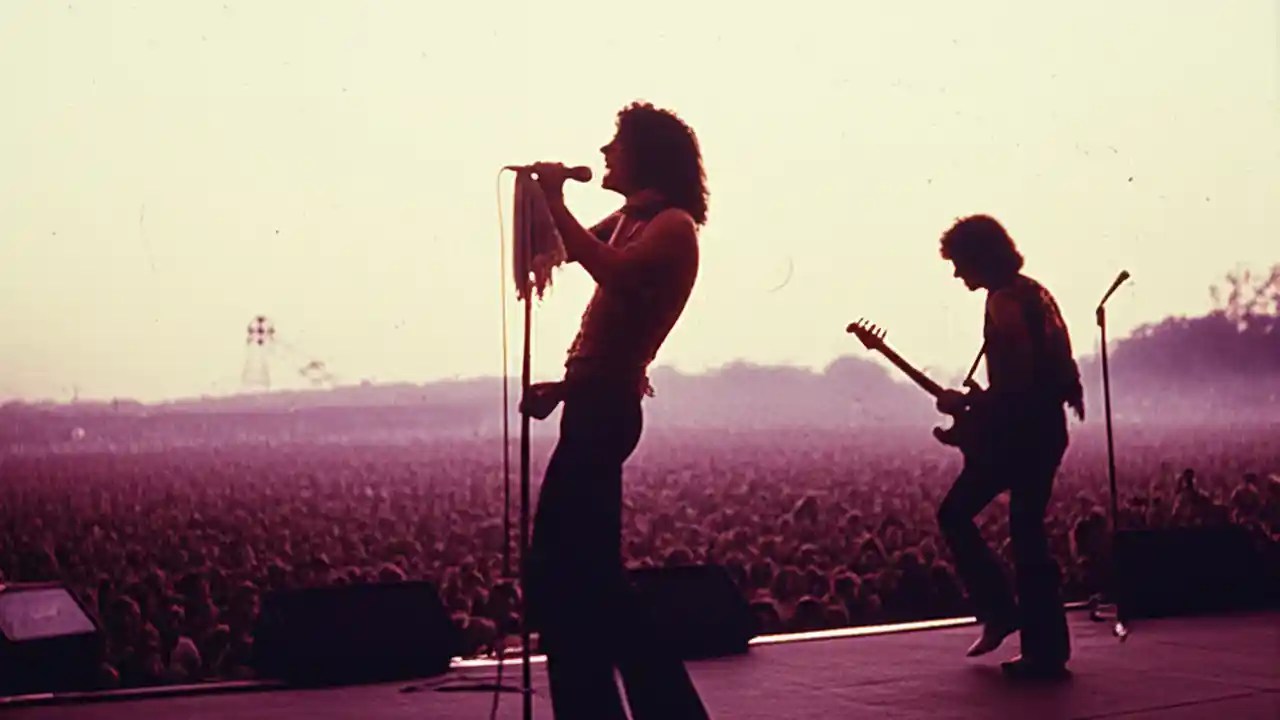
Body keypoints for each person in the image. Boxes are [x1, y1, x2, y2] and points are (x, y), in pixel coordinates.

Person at [519, 101, 712, 719]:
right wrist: (563, 387)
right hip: (594, 402)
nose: (603, 152)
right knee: (585, 574)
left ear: (645, 155)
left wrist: (555, 199)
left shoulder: (672, 227)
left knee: (568, 570)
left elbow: (612, 271)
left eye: (616, 144)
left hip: (608, 410)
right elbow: (568, 250)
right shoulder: (636, 216)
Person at [933, 214, 1085, 680]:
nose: (957, 274)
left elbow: (1018, 381)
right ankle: (1045, 647)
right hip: (1046, 429)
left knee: (958, 515)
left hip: (1023, 434)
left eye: (960, 263)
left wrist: (970, 404)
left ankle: (1003, 613)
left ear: (979, 257)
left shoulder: (1002, 303)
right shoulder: (1033, 291)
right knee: (1027, 534)